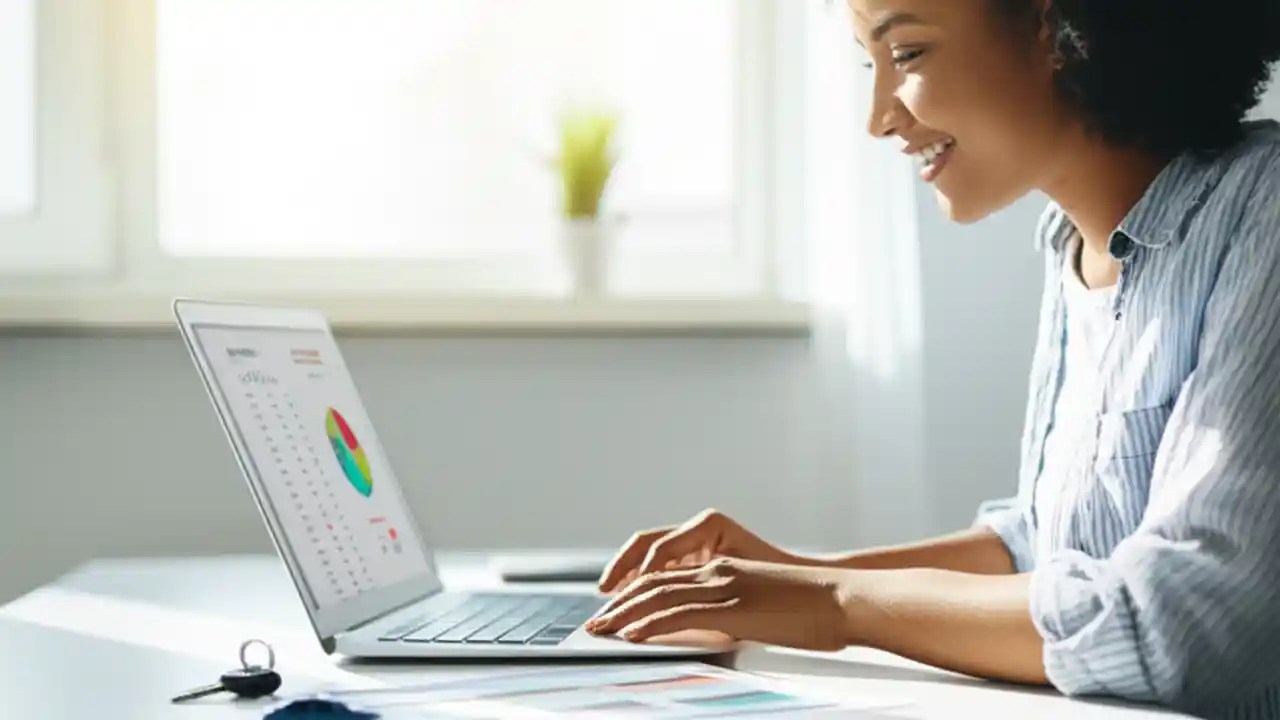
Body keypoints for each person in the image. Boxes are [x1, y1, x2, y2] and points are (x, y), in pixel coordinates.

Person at [585, 1, 1280, 716]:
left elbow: (1187, 623)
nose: (879, 118)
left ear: (1056, 30)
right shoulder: (1070, 242)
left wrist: (835, 603)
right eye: (870, 64)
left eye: (907, 55)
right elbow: (1046, 547)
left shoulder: (1266, 213)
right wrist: (784, 575)